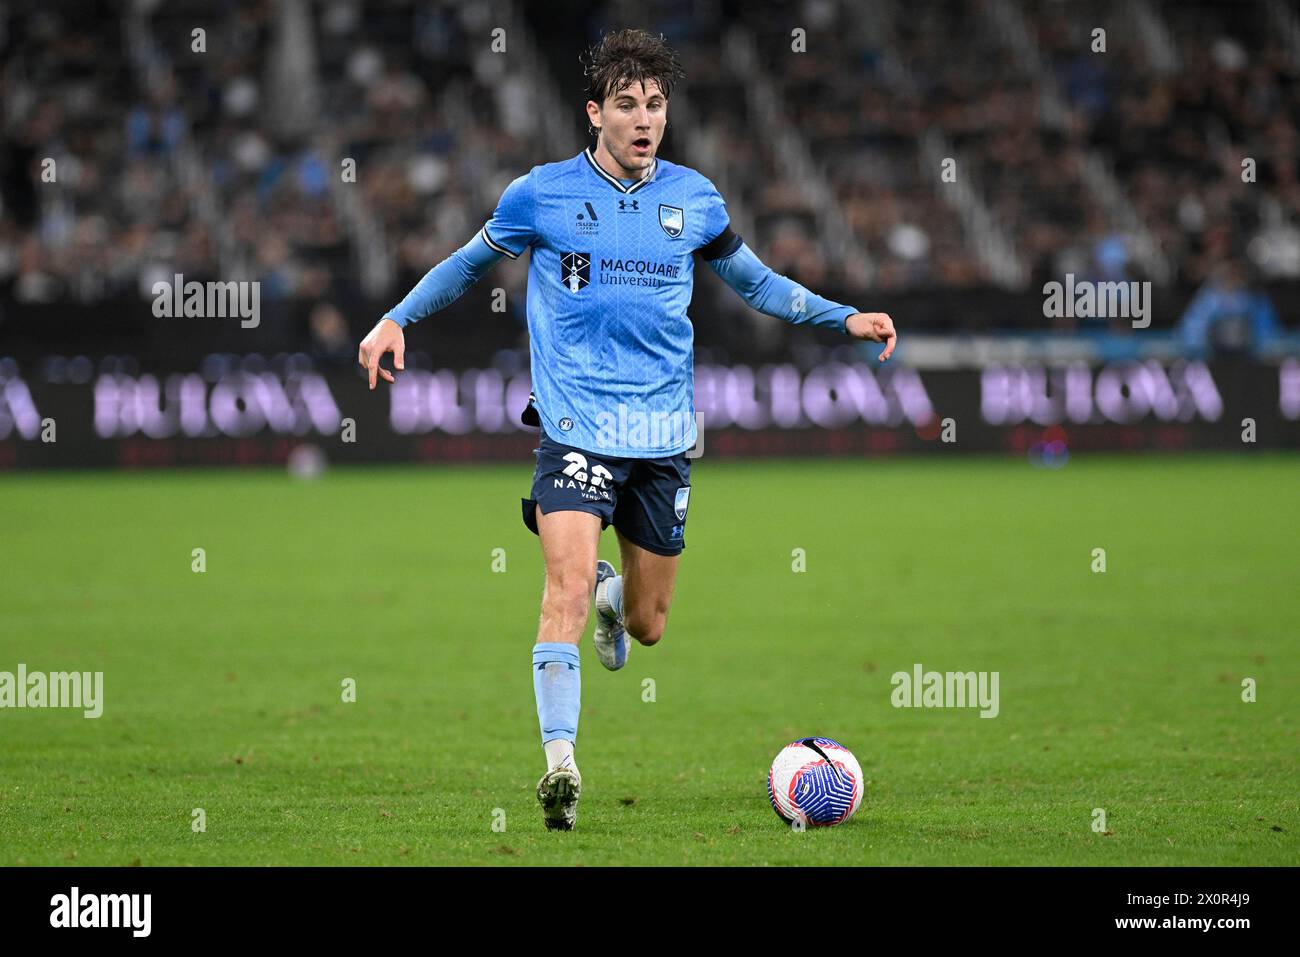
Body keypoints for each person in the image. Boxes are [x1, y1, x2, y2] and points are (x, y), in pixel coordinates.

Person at [356, 29, 897, 830]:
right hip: (574, 426)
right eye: (627, 105)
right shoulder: (539, 195)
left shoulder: (695, 199)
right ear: (594, 113)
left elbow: (755, 282)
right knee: (563, 587)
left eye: (655, 106)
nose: (645, 120)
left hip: (664, 435)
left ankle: (618, 595)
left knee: (647, 626)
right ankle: (561, 764)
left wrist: (840, 316)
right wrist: (397, 316)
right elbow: (468, 263)